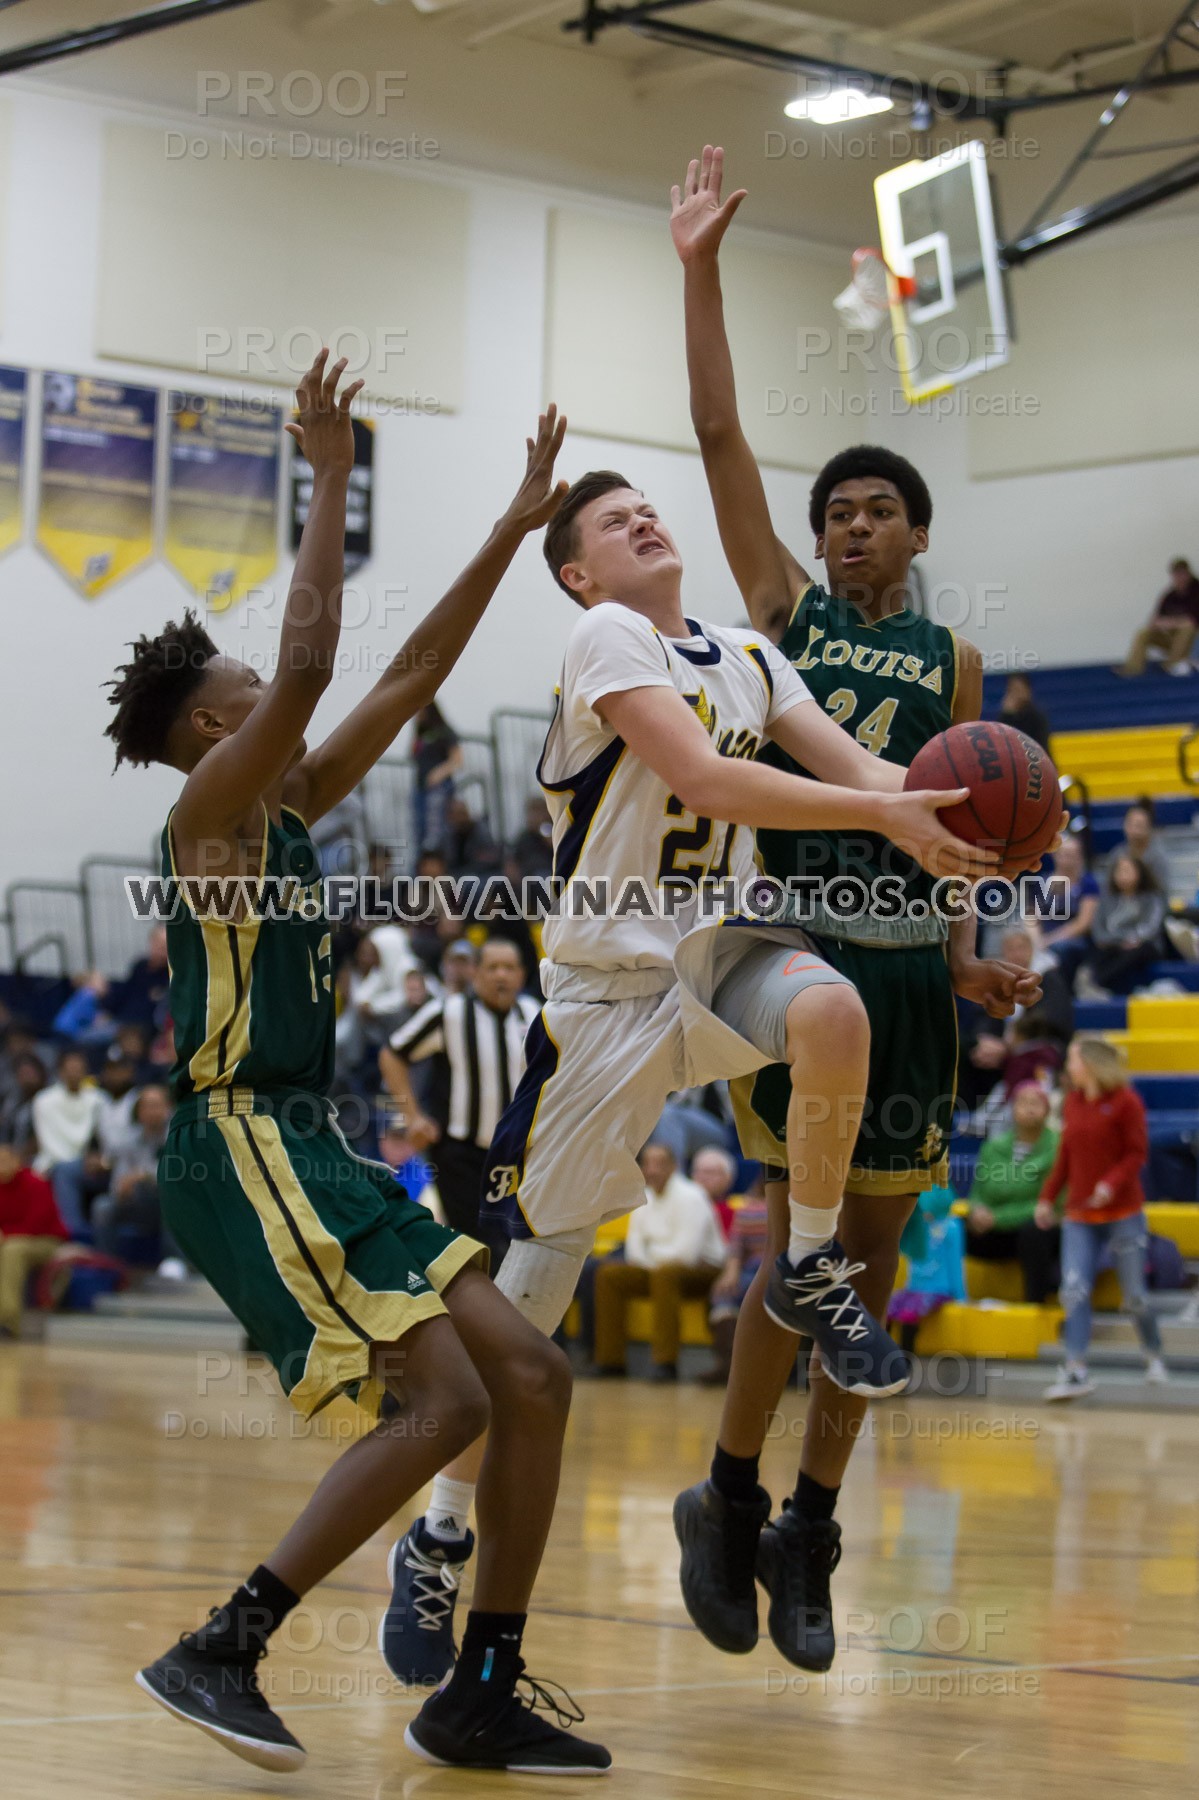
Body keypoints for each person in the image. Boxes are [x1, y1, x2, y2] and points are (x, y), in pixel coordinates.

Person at [381, 448, 996, 1681]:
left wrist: (958, 808)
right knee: (533, 1307)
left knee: (831, 1013)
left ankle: (812, 1266)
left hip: (715, 953)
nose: (644, 518)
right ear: (577, 571)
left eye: (646, 505)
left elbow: (861, 766)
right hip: (608, 991)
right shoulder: (606, 638)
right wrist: (884, 816)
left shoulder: (751, 655)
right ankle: (437, 1537)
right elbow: (707, 776)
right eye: (614, 519)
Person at [106, 370, 610, 1776]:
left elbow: (402, 678)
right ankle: (225, 1642)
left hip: (308, 1141)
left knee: (530, 1375)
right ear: (214, 729)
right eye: (249, 695)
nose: (275, 702)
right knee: (445, 1403)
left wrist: (513, 532)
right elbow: (325, 667)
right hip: (238, 1142)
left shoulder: (286, 808)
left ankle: (479, 1685)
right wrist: (331, 481)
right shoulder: (211, 814)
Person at [664, 144, 1044, 1676]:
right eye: (835, 514)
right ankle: (725, 1491)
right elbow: (711, 431)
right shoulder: (784, 617)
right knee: (794, 1258)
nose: (849, 530)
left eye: (876, 512)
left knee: (870, 1284)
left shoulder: (953, 671)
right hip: (800, 972)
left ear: (916, 533)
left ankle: (804, 1528)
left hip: (905, 982)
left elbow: (959, 836)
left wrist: (972, 955)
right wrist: (696, 270)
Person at [379, 938, 541, 1246]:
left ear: (521, 975)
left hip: (519, 1157)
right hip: (461, 1156)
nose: (501, 976)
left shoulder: (535, 1015)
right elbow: (392, 1054)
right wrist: (413, 1117)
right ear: (476, 973)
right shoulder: (449, 1011)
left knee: (516, 1247)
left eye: (509, 968)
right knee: (480, 1246)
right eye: (492, 967)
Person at [1036, 1036, 1166, 1398]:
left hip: (1123, 1211)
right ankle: (1076, 1369)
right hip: (1079, 1214)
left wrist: (1110, 1183)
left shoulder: (1126, 1102)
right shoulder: (1072, 1103)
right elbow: (1065, 1156)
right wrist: (1047, 1198)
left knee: (1135, 1296)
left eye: (1073, 1060)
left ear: (1090, 1064)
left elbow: (1136, 1154)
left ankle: (1153, 1352)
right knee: (1074, 1290)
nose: (1068, 1068)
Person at [591, 1143, 726, 1380]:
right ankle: (611, 1362)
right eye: (648, 1164)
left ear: (674, 1167)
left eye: (660, 1164)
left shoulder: (692, 1196)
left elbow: (686, 1254)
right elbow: (633, 1249)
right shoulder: (643, 1197)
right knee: (608, 1275)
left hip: (705, 1272)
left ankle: (666, 1363)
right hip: (659, 1270)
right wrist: (654, 1260)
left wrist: (652, 1258)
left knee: (666, 1274)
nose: (653, 1170)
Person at [964, 1083, 1059, 1303]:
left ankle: (1036, 1304)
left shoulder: (1057, 1147)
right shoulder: (993, 1147)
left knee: (1035, 1232)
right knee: (951, 1228)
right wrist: (976, 1210)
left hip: (1039, 1231)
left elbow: (1053, 1206)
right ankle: (948, 1297)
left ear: (1047, 1110)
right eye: (1023, 1103)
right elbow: (978, 1192)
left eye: (1035, 1103)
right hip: (997, 1232)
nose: (1029, 1109)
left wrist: (997, 1217)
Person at [89, 1084, 173, 1264]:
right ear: (139, 1111)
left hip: (166, 1202)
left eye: (156, 1105)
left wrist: (144, 1175)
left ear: (168, 1109)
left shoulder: (176, 1137)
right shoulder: (128, 1141)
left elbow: (177, 1176)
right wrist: (121, 1190)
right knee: (102, 1206)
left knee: (171, 1196)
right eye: (147, 1106)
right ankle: (108, 1265)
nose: (152, 1111)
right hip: (137, 1204)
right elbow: (120, 1181)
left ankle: (174, 1261)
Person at [703, 1175, 771, 1385]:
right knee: (727, 1292)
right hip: (760, 1271)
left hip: (766, 1270)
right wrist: (731, 1273)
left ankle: (737, 1367)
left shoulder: (748, 1211)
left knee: (731, 1296)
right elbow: (736, 1250)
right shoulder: (751, 1210)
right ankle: (734, 1366)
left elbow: (736, 1251)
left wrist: (732, 1273)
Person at [31, 1047, 106, 1236]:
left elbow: (104, 1138)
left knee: (66, 1171)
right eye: (70, 1068)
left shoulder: (98, 1098)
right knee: (63, 1171)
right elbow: (48, 1141)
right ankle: (73, 1233)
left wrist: (98, 1158)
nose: (74, 1072)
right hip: (58, 1162)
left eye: (79, 1067)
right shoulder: (44, 1100)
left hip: (92, 1163)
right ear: (60, 1071)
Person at [0, 1141, 69, 1337]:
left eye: (6, 1160)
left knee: (12, 1250)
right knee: (11, 1247)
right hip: (11, 1241)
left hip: (46, 1242)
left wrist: (5, 1235)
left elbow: (36, 1225)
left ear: (18, 1162)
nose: (1, 1165)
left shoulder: (35, 1183)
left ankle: (8, 1322)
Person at [1082, 854, 1166, 997]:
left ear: (1139, 872)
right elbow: (1098, 932)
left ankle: (1097, 981)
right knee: (1101, 950)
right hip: (1114, 946)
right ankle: (1088, 977)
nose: (1123, 876)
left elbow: (1151, 928)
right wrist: (1121, 941)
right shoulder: (1106, 899)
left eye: (1128, 870)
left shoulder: (1152, 898)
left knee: (1139, 950)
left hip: (1144, 946)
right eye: (1120, 871)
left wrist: (1132, 939)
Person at [1119, 557, 1199, 676]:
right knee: (1143, 633)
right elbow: (1154, 620)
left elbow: (1191, 621)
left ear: (1188, 574)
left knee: (1187, 629)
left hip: (1193, 643)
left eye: (1182, 573)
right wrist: (1161, 624)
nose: (1179, 577)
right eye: (1176, 574)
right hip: (1172, 638)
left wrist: (1169, 622)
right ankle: (1132, 669)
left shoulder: (1196, 591)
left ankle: (1172, 664)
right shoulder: (1170, 595)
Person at [1041, 835, 1100, 993]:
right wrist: (1036, 942)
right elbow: (1031, 917)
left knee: (1062, 950)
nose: (1068, 859)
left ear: (1080, 857)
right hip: (1043, 939)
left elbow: (1083, 923)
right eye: (1064, 854)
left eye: (1072, 855)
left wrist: (1050, 940)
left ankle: (1063, 994)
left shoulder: (1088, 883)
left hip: (1073, 941)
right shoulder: (1042, 882)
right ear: (1055, 855)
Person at [410, 700, 462, 857]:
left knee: (436, 831)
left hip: (439, 788)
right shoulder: (421, 734)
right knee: (419, 830)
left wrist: (439, 773)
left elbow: (457, 760)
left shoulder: (445, 731)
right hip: (420, 789)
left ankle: (441, 865)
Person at [1110, 798, 1172, 896]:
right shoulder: (1117, 854)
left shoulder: (1157, 857)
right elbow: (1108, 891)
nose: (1134, 830)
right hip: (1121, 908)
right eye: (1130, 824)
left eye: (1139, 825)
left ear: (1149, 828)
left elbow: (1162, 893)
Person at [998, 672, 1051, 752]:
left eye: (1018, 689)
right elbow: (1002, 741)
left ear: (1028, 690)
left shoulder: (1036, 716)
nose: (1016, 694)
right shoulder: (1007, 715)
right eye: (1012, 690)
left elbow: (1040, 746)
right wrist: (1007, 715)